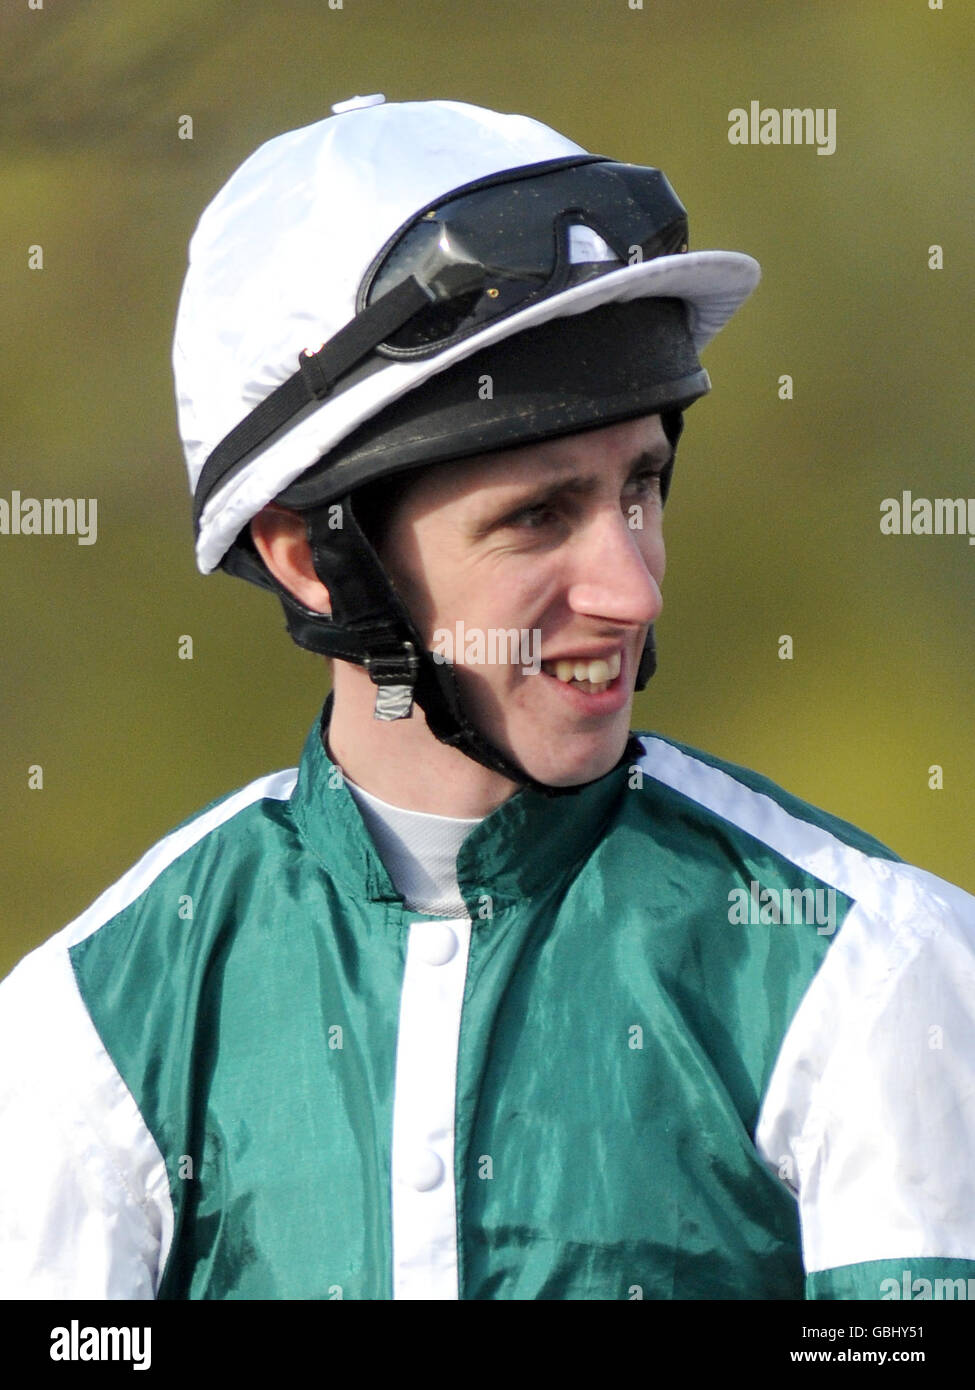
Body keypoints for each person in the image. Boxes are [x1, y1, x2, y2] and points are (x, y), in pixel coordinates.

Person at [2, 95, 974, 1303]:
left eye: (642, 488)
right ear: (311, 555)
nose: (631, 588)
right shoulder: (91, 1023)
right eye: (537, 516)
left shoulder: (875, 970)